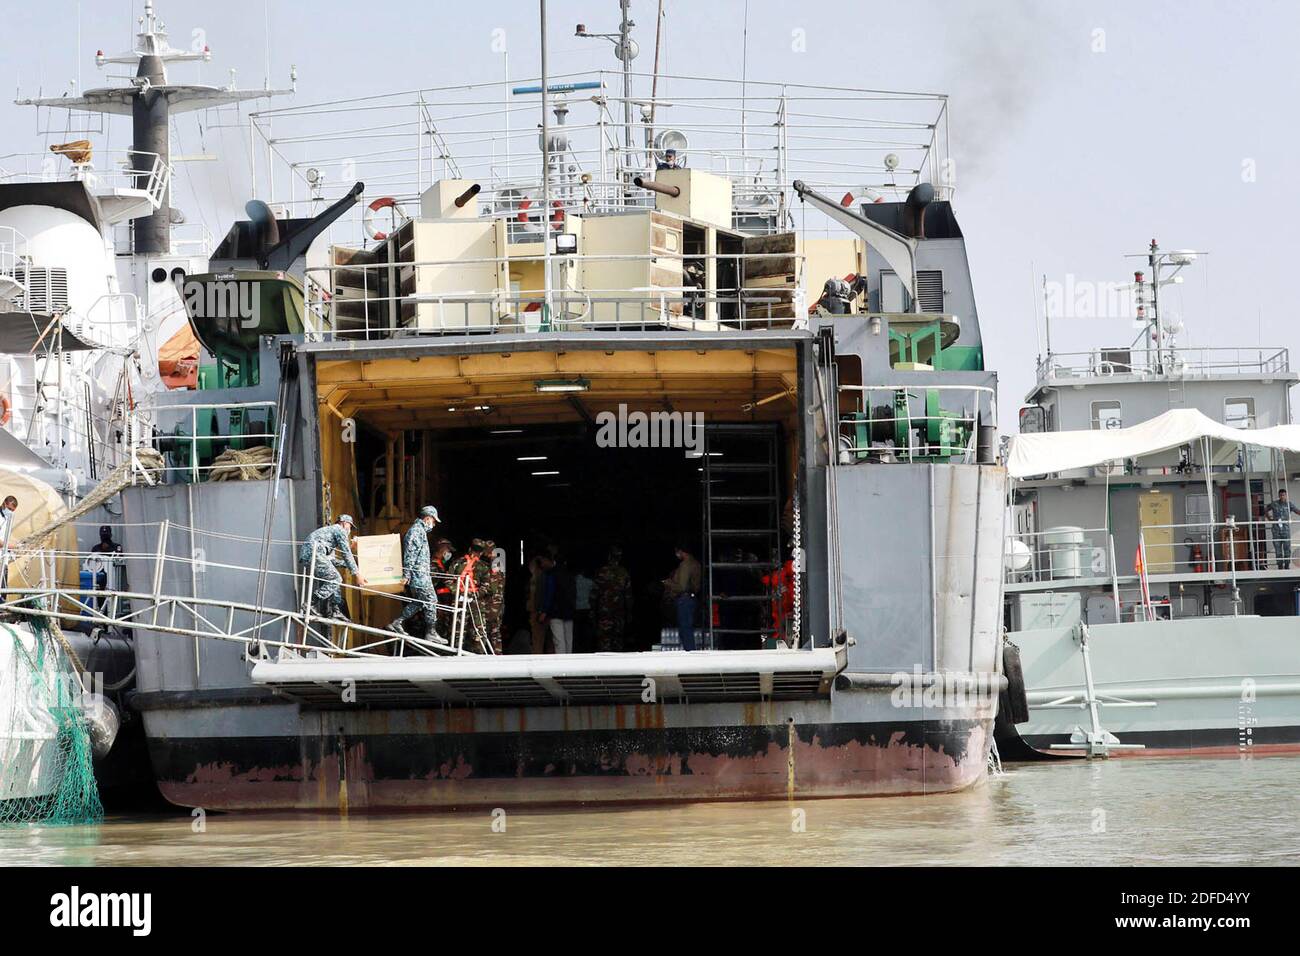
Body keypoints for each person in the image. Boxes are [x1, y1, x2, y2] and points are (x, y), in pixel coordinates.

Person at [299, 514, 365, 621]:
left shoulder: (328, 535)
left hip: (312, 554)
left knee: (334, 578)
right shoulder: (339, 530)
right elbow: (346, 553)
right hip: (314, 553)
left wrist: (355, 564)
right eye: (350, 527)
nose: (350, 530)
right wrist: (357, 574)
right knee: (336, 578)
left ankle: (336, 611)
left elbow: (332, 561)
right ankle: (310, 603)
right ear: (344, 523)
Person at [388, 505, 441, 640]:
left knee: (419, 602)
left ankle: (397, 622)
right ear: (428, 518)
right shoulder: (416, 531)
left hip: (420, 575)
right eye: (434, 521)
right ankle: (431, 632)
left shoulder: (419, 531)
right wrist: (406, 575)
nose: (434, 525)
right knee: (431, 600)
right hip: (419, 576)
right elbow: (410, 554)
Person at [592, 546, 632, 652]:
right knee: (617, 640)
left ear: (609, 556)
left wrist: (592, 610)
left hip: (605, 611)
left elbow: (594, 594)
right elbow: (628, 595)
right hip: (619, 611)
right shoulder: (624, 573)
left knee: (604, 640)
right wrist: (629, 612)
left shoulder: (602, 572)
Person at [663, 543, 702, 651]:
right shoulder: (696, 563)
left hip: (685, 599)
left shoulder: (685, 565)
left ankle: (690, 654)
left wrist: (668, 583)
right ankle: (690, 652)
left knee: (685, 629)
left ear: (681, 551)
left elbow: (682, 587)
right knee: (687, 628)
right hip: (691, 599)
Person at [542, 551, 576, 654]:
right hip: (569, 612)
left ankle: (561, 667)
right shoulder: (570, 575)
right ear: (565, 562)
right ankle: (569, 665)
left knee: (559, 641)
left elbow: (549, 593)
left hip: (556, 612)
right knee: (568, 641)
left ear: (554, 561)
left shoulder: (551, 574)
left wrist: (544, 611)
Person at [87, 525, 124, 610]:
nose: (104, 536)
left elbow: (119, 560)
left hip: (115, 579)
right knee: (99, 598)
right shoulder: (96, 548)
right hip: (100, 579)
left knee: (114, 599)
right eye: (103, 534)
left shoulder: (116, 547)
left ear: (111, 534)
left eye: (106, 534)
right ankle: (101, 614)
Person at [1266, 488, 1300, 569]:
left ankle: (1287, 566)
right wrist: (1269, 518)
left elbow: (1297, 511)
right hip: (1276, 531)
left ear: (1286, 495)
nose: (1282, 497)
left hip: (1286, 531)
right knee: (1278, 550)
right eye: (1281, 495)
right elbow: (1266, 509)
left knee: (1287, 549)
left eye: (1283, 495)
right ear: (1279, 495)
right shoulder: (1274, 504)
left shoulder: (1289, 504)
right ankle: (1280, 566)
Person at [527, 555, 549, 653]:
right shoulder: (539, 577)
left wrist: (541, 611)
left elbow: (540, 595)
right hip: (538, 610)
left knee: (538, 638)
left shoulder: (540, 578)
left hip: (538, 611)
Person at [573, 566, 594, 652]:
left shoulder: (573, 581)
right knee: (586, 631)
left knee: (576, 632)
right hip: (586, 609)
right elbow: (594, 595)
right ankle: (587, 648)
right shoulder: (589, 582)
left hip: (576, 609)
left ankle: (577, 649)